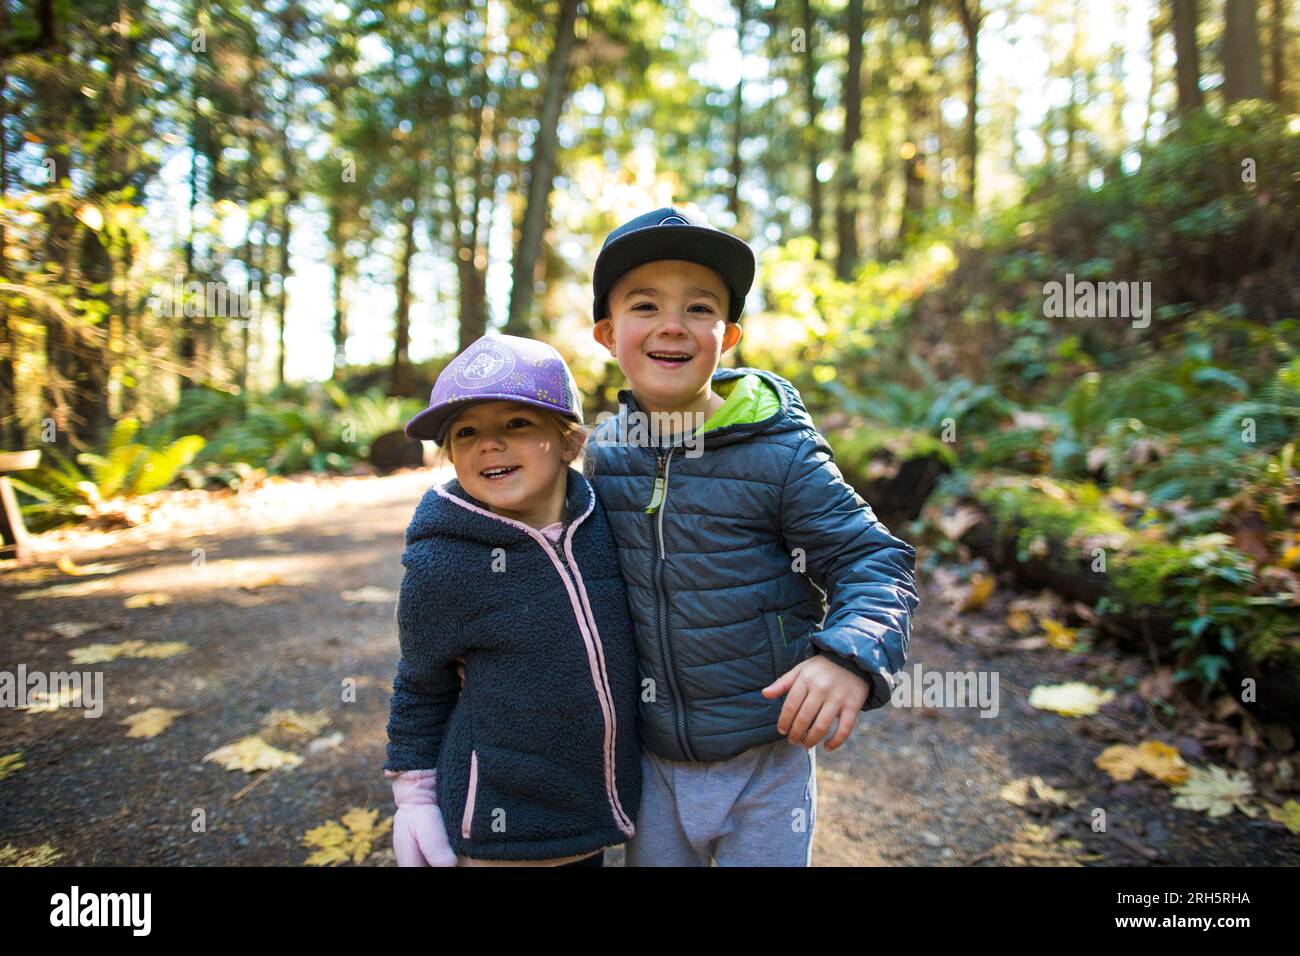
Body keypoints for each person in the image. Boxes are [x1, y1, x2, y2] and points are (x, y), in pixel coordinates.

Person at [586, 205, 920, 866]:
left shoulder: (780, 451)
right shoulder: (605, 453)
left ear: (729, 334)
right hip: (648, 762)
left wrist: (849, 656)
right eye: (645, 305)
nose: (674, 326)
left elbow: (874, 560)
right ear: (607, 332)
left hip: (766, 763)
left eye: (701, 308)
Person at [383, 333, 641, 867]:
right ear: (450, 453)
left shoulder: (605, 524)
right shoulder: (442, 565)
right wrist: (414, 796)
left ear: (569, 441)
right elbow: (420, 681)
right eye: (467, 432)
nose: (489, 444)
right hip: (501, 820)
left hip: (589, 811)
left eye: (516, 424)